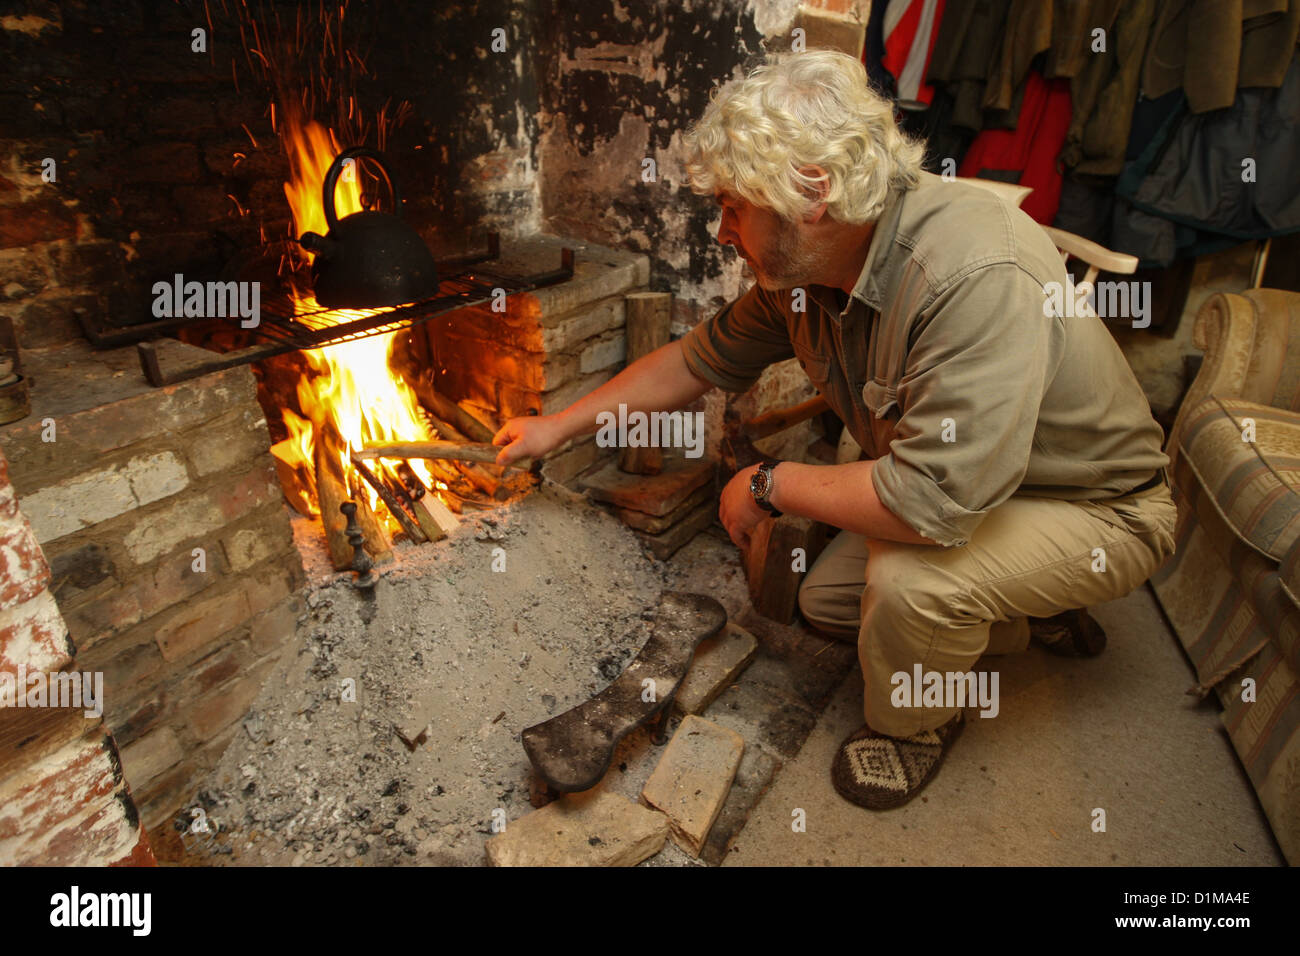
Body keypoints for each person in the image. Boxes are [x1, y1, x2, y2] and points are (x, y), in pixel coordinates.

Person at [492, 49, 1176, 810]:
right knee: (830, 605)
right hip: (979, 486)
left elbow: (926, 504)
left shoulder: (974, 275)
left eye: (732, 205)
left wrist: (770, 483)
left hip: (1095, 507)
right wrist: (554, 429)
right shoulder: (812, 272)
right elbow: (695, 359)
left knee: (911, 585)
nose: (722, 231)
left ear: (810, 193)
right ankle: (1028, 610)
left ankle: (916, 724)